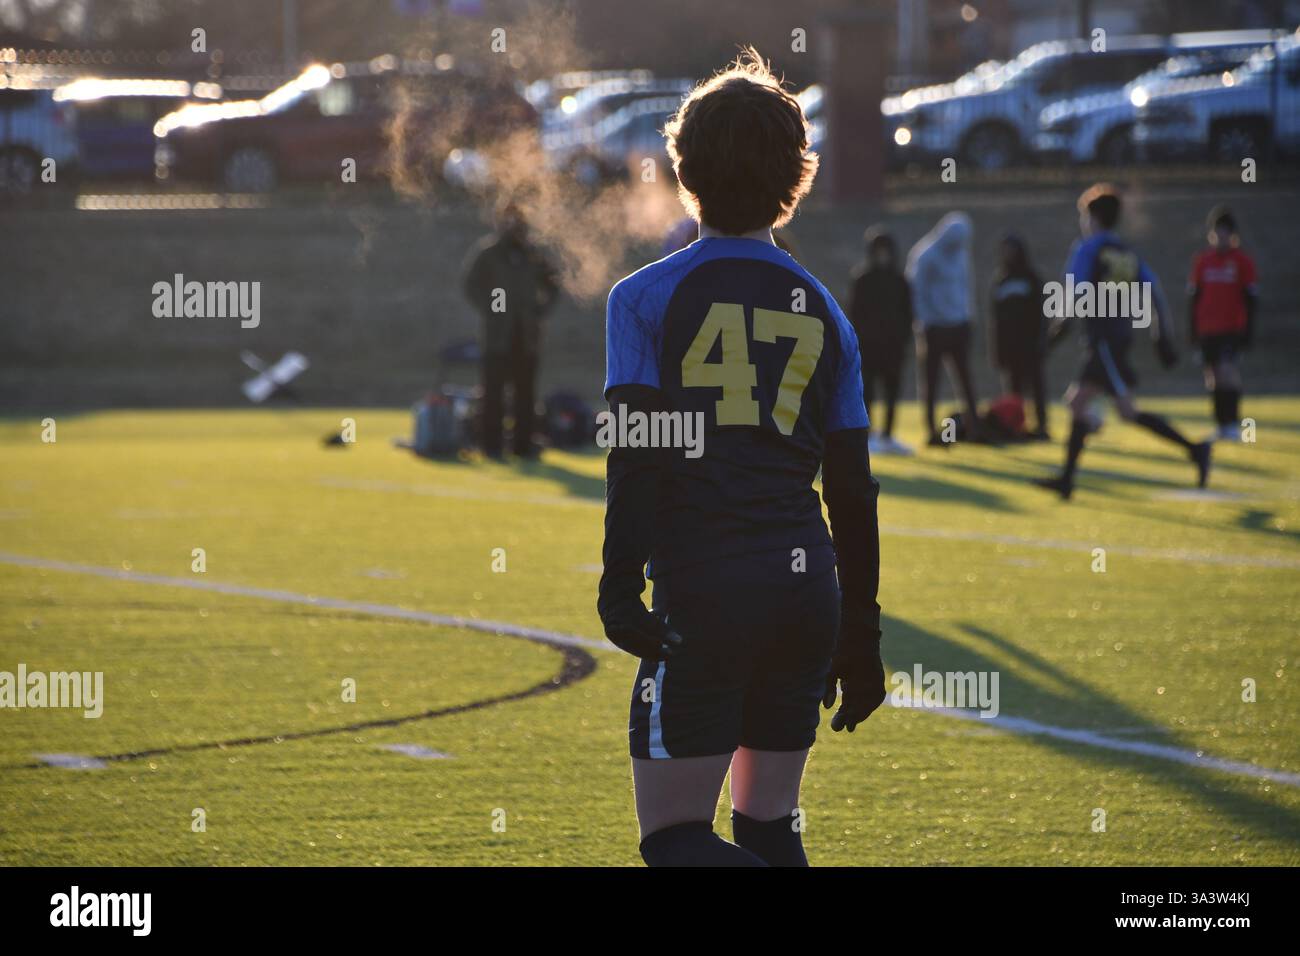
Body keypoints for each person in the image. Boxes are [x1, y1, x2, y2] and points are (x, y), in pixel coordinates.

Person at [597, 49, 886, 867]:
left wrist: (621, 585)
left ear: (683, 170)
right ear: (796, 177)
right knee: (766, 827)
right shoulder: (828, 311)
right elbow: (853, 489)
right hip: (805, 592)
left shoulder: (645, 296)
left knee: (677, 840)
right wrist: (859, 627)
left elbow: (638, 455)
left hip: (706, 588)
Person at [1033, 184, 1210, 500]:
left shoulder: (1088, 249)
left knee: (1126, 411)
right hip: (1115, 339)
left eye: (1084, 216)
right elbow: (1154, 292)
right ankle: (1067, 479)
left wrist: (1052, 336)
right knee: (1077, 403)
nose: (1082, 223)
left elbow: (1073, 295)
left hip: (1103, 342)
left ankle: (1195, 450)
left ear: (1093, 217)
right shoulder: (1125, 252)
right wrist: (1161, 334)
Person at [462, 203, 560, 459]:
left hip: (527, 337)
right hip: (497, 337)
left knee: (525, 394)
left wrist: (540, 308)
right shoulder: (488, 253)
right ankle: (491, 446)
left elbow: (553, 283)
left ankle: (523, 446)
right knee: (492, 393)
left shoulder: (533, 254)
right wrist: (490, 307)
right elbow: (470, 284)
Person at [906, 212, 981, 446]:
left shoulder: (960, 255)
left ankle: (974, 427)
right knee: (931, 379)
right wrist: (922, 321)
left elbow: (966, 286)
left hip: (958, 324)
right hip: (934, 326)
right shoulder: (926, 255)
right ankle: (930, 428)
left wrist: (969, 315)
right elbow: (915, 290)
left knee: (965, 378)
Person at [1188, 205, 1258, 441]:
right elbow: (1194, 297)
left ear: (1233, 234)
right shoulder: (1203, 261)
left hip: (1231, 328)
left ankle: (1232, 423)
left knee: (1228, 372)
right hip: (1207, 328)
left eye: (1226, 231)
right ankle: (1220, 424)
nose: (1221, 236)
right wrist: (1192, 330)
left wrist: (1248, 330)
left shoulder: (1242, 262)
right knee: (1213, 375)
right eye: (1218, 231)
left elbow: (1250, 299)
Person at [848, 225, 914, 454]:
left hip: (893, 348)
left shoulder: (900, 281)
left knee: (892, 391)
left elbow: (908, 313)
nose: (883, 254)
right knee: (867, 393)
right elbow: (854, 313)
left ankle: (887, 434)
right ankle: (867, 434)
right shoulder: (863, 279)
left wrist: (903, 339)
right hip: (868, 347)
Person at [989, 233, 1050, 439]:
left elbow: (1042, 315)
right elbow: (995, 320)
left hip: (1030, 345)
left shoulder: (1032, 279)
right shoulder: (1000, 280)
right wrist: (997, 349)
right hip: (1009, 347)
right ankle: (1013, 427)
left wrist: (1042, 341)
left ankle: (1042, 426)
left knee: (1036, 387)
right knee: (1013, 392)